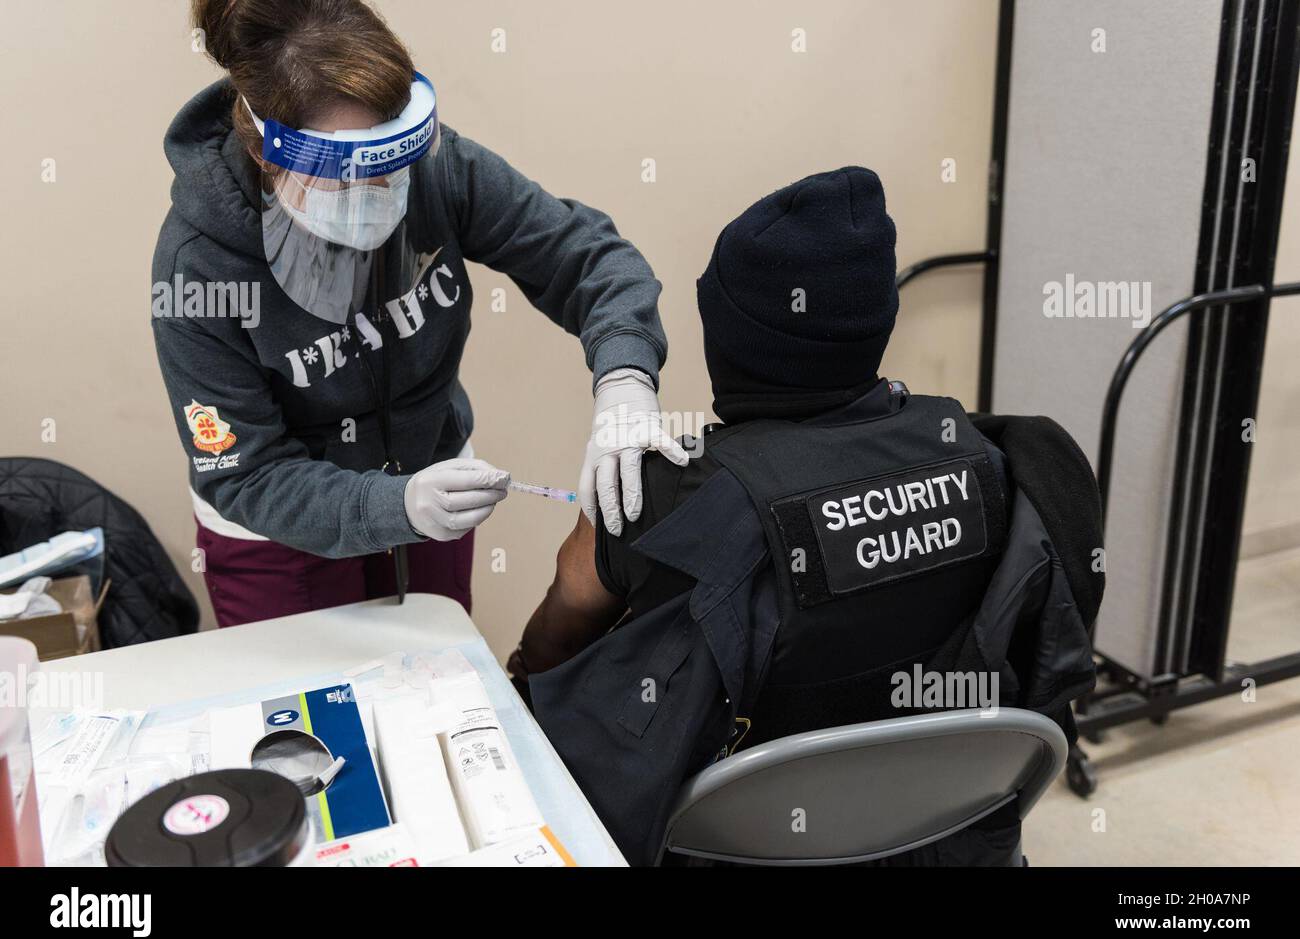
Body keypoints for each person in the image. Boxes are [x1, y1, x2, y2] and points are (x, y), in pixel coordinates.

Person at [509, 168, 1104, 866]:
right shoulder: (988, 459)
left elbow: (557, 632)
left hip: (740, 848)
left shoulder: (663, 490)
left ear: (730, 337)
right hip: (932, 836)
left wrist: (521, 677)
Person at [152, 0, 686, 627]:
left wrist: (626, 381)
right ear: (272, 155)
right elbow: (249, 476)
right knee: (314, 717)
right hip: (279, 535)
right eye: (347, 178)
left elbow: (589, 260)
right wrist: (392, 506)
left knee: (438, 685)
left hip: (433, 479)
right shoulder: (199, 267)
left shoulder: (439, 167)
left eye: (392, 168)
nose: (380, 198)